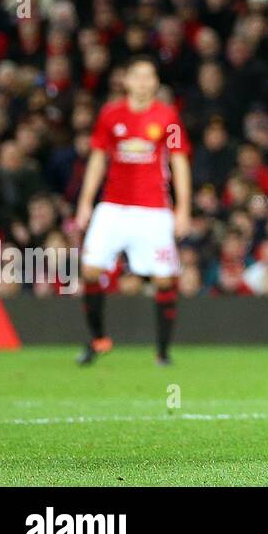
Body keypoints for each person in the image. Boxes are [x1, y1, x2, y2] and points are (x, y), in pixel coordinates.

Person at [75, 55, 191, 366]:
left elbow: (179, 161)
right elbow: (98, 158)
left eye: (148, 76)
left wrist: (183, 209)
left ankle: (163, 352)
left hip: (153, 210)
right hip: (113, 206)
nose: (142, 82)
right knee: (89, 271)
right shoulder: (111, 115)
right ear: (126, 81)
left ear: (155, 82)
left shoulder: (168, 117)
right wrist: (86, 201)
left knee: (164, 280)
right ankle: (99, 340)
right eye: (136, 75)